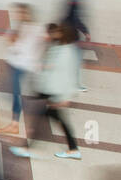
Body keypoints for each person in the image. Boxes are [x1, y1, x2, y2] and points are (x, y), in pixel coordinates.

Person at [11, 23, 81, 160]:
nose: (56, 33)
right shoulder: (59, 46)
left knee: (48, 118)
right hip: (48, 89)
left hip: (55, 92)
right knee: (53, 119)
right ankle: (73, 149)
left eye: (59, 31)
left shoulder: (67, 52)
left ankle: (28, 148)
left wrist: (65, 97)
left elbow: (70, 75)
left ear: (64, 34)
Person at [0, 3, 43, 137]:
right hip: (18, 65)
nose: (18, 16)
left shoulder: (34, 29)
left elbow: (23, 47)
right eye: (17, 13)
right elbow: (12, 44)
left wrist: (12, 40)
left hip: (24, 67)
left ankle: (18, 125)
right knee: (17, 95)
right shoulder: (21, 27)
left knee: (20, 96)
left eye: (21, 13)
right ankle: (15, 124)